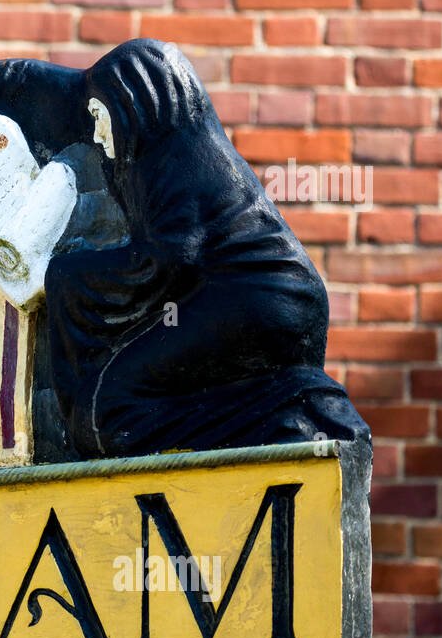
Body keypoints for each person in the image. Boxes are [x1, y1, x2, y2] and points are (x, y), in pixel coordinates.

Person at [36, 39, 369, 456]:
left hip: (260, 301)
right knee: (115, 401)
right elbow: (65, 92)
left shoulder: (179, 161)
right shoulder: (165, 147)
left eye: (103, 120)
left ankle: (296, 418)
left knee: (109, 404)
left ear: (135, 111)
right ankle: (285, 415)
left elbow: (168, 260)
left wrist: (69, 275)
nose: (99, 137)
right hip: (260, 299)